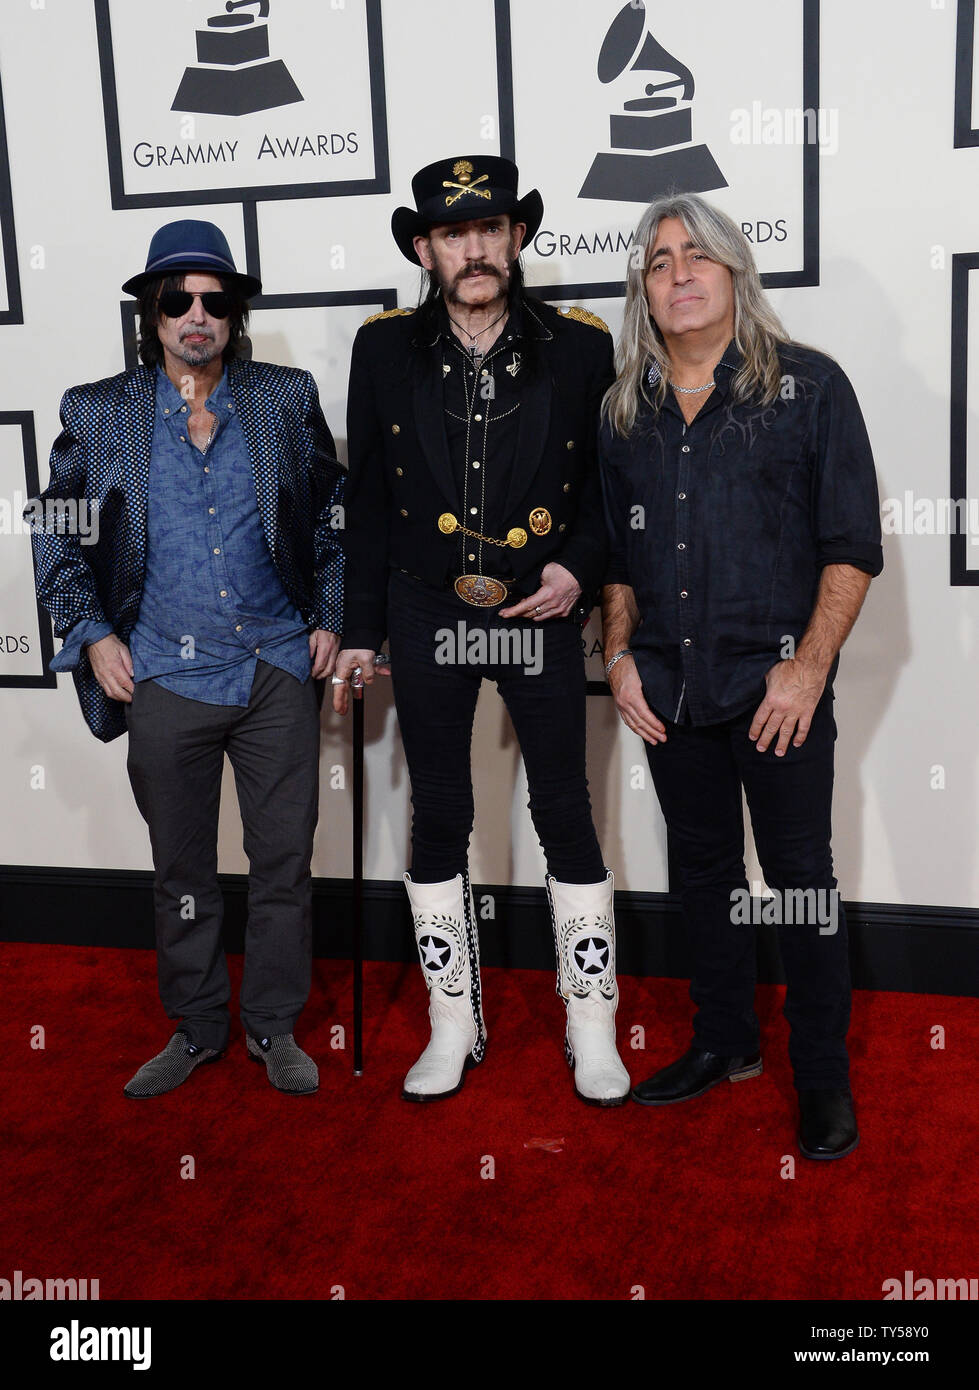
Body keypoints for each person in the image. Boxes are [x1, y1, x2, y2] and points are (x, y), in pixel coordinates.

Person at [335, 155, 630, 1106]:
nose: (475, 249)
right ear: (425, 249)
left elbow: (605, 496)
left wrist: (574, 571)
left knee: (562, 808)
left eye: (491, 230)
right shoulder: (380, 350)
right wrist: (358, 631)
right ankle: (451, 1021)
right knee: (442, 811)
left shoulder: (581, 348)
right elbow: (369, 506)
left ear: (517, 239)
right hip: (424, 606)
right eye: (455, 234)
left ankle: (590, 1022)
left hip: (534, 610)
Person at [29, 220, 344, 1098]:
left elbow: (333, 517)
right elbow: (57, 533)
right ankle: (200, 1023)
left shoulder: (283, 397)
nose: (196, 315)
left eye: (214, 300)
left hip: (275, 668)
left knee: (284, 863)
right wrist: (92, 633)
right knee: (183, 870)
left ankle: (274, 1026)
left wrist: (329, 615)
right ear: (152, 313)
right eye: (178, 299)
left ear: (234, 315)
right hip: (163, 674)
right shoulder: (97, 412)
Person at [599, 192, 882, 1159]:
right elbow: (615, 562)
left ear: (732, 274)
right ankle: (723, 1043)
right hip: (670, 693)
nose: (676, 272)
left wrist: (805, 673)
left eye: (696, 256)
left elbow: (850, 548)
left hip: (776, 697)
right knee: (704, 877)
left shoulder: (809, 387)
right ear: (642, 286)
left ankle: (822, 1079)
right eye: (658, 259)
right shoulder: (622, 410)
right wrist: (616, 657)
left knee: (801, 882)